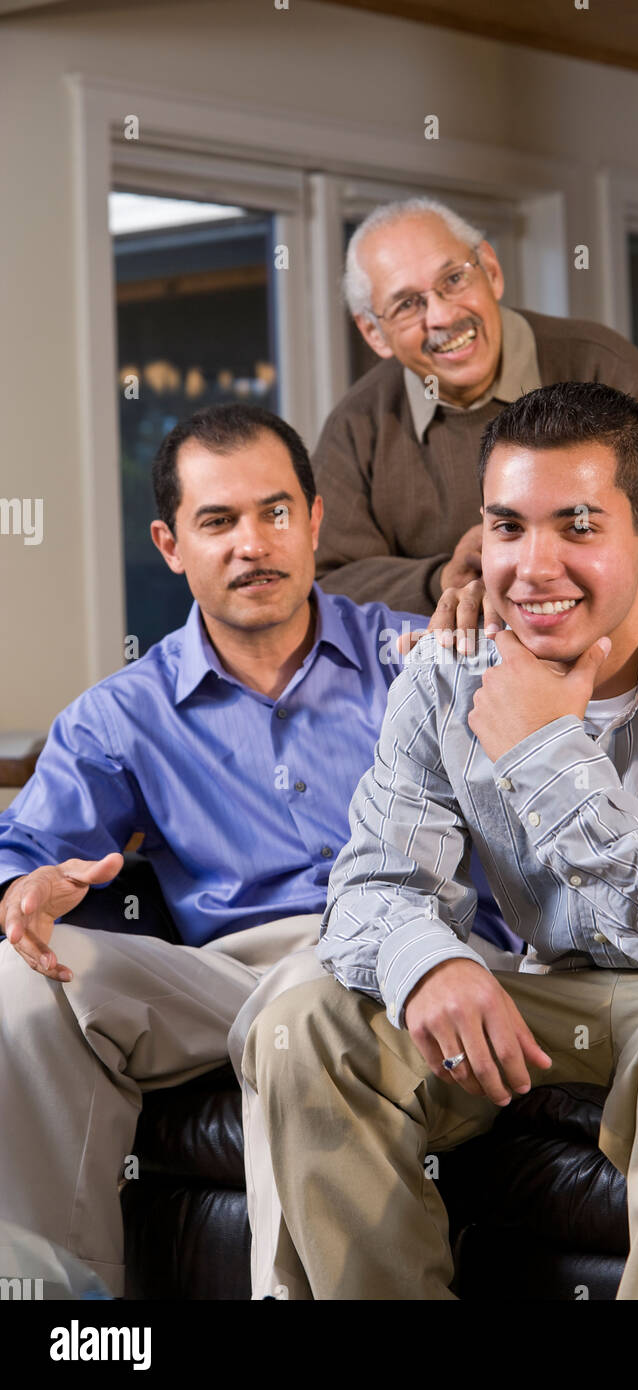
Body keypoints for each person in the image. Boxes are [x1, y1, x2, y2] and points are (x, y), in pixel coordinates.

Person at [245, 380, 638, 1301]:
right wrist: (427, 960)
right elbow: (374, 881)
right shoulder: (446, 675)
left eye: (577, 527)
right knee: (306, 1019)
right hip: (563, 990)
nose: (533, 568)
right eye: (507, 528)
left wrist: (547, 752)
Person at [0, 401, 508, 1299]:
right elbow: (30, 847)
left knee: (306, 1007)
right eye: (217, 521)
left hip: (402, 954)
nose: (252, 544)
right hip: (228, 975)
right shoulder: (126, 713)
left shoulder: (415, 658)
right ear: (170, 543)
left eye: (276, 512)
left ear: (314, 523)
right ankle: (58, 1299)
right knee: (18, 974)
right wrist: (24, 887)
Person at [312, 197, 638, 613]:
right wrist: (441, 578)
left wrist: (575, 559)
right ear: (374, 333)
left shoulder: (597, 361)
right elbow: (322, 581)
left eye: (454, 279)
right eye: (408, 304)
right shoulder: (358, 423)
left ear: (490, 270)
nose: (443, 317)